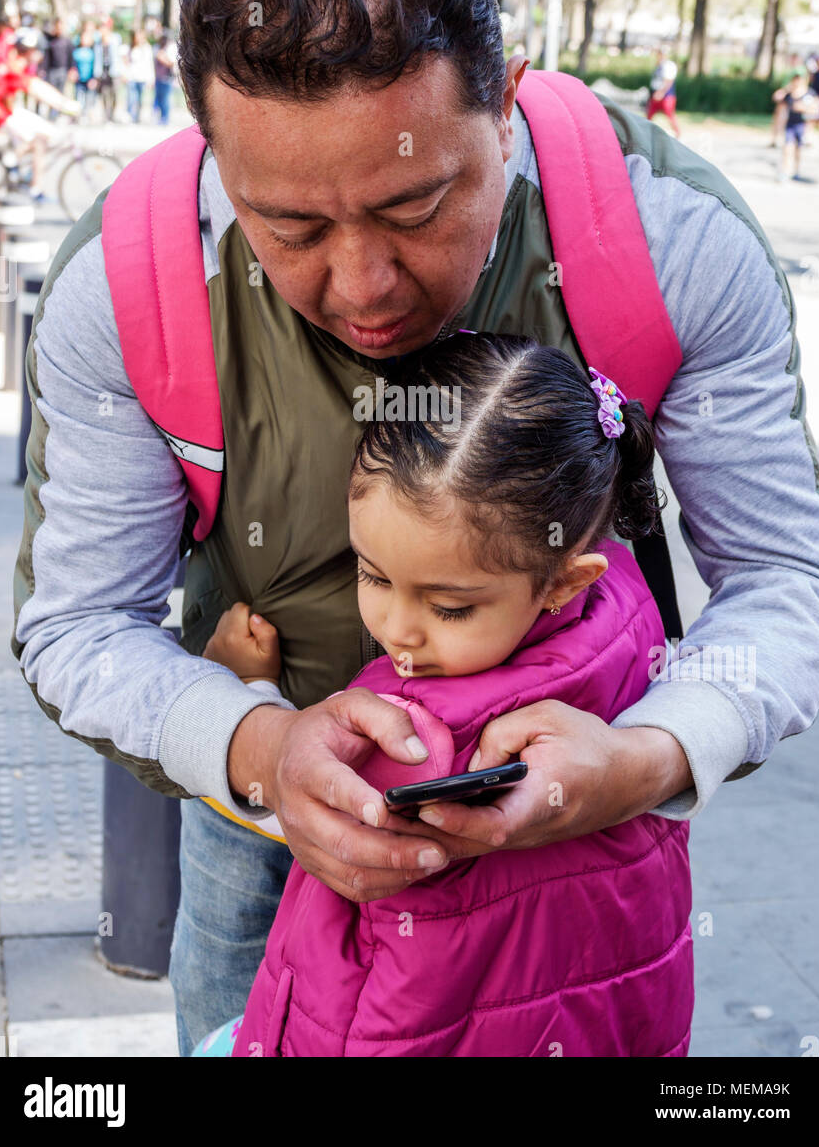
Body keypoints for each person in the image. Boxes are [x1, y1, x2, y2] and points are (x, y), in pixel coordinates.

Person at [10, 0, 819, 1057]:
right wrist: (261, 754)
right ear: (212, 151)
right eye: (287, 226)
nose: (361, 286)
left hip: (582, 854)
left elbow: (786, 583)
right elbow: (77, 625)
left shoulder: (669, 242)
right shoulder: (124, 283)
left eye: (416, 205)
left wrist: (642, 761)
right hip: (263, 832)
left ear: (503, 107)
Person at [192, 335, 694, 1058]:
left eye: (449, 607)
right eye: (370, 573)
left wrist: (253, 692)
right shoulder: (628, 608)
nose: (398, 630)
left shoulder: (426, 731)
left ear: (563, 582)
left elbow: (315, 823)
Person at [0, 28, 80, 199]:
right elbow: (36, 88)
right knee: (45, 136)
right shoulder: (15, 65)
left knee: (42, 138)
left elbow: (36, 86)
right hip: (1, 113)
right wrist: (64, 104)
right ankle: (13, 160)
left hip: (7, 110)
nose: (39, 55)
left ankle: (32, 183)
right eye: (37, 50)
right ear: (29, 50)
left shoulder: (19, 63)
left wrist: (62, 102)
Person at [771, 72, 819, 182]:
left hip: (802, 124)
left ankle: (796, 171)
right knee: (787, 148)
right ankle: (784, 172)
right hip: (790, 124)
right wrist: (785, 89)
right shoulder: (789, 94)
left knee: (798, 149)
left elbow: (817, 108)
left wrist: (802, 108)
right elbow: (776, 97)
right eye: (795, 80)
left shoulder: (809, 93)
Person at [646, 47, 681, 138]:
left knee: (670, 115)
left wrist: (661, 92)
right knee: (649, 113)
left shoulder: (668, 65)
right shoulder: (659, 65)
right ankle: (645, 131)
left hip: (666, 95)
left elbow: (668, 80)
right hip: (656, 93)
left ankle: (677, 133)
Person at [94, 15, 122, 123]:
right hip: (102, 71)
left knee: (114, 93)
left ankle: (112, 114)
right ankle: (106, 115)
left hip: (114, 71)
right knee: (104, 93)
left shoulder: (115, 38)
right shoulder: (98, 42)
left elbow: (119, 55)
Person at [69, 22, 99, 121]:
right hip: (79, 79)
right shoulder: (76, 50)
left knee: (90, 98)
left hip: (89, 78)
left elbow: (96, 65)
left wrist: (94, 78)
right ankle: (78, 115)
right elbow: (73, 64)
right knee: (78, 97)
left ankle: (87, 114)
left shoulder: (94, 50)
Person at [125, 27, 154, 122]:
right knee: (131, 98)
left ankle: (137, 116)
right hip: (132, 77)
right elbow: (128, 63)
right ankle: (130, 116)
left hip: (142, 78)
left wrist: (151, 79)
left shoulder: (147, 48)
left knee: (140, 99)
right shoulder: (131, 48)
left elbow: (150, 64)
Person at [153, 31, 178, 124]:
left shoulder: (170, 49)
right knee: (159, 99)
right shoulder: (157, 48)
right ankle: (160, 117)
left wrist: (163, 57)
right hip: (158, 77)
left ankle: (165, 118)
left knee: (166, 99)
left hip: (167, 78)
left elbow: (171, 62)